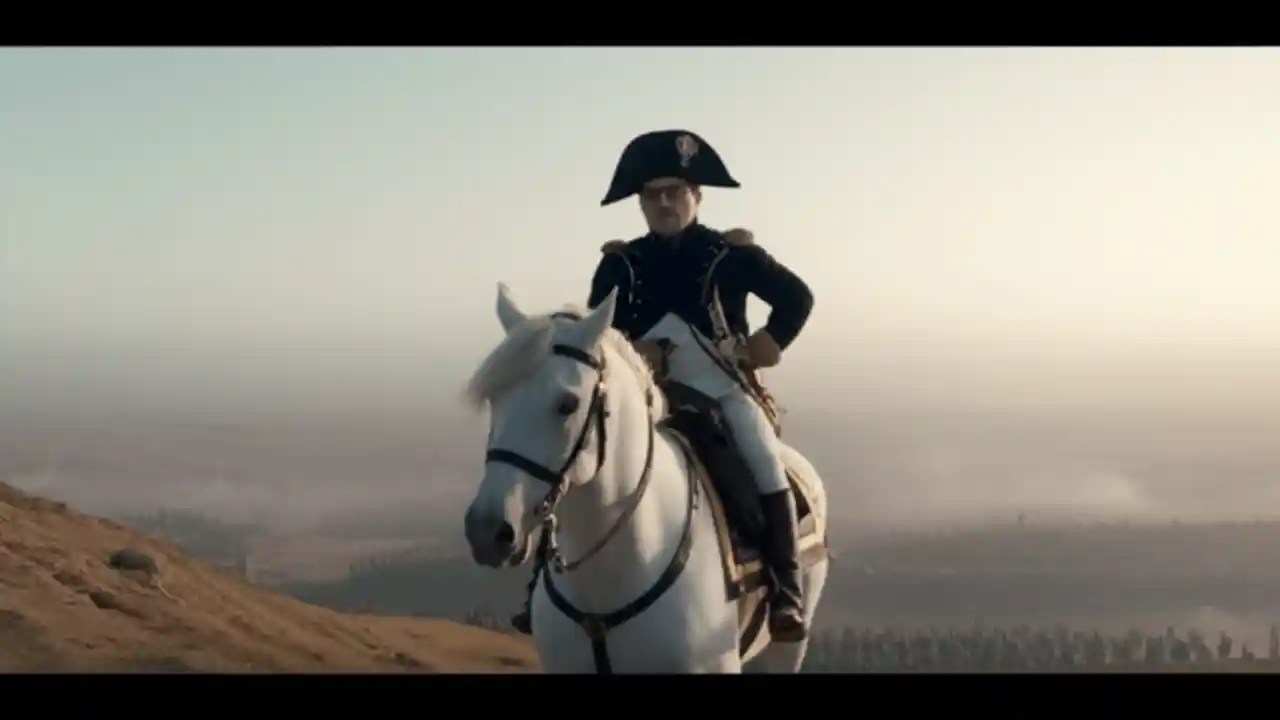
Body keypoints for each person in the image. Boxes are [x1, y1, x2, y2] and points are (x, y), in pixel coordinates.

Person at [509, 129, 815, 642]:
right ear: (642, 202)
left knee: (763, 459)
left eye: (676, 191)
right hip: (639, 396)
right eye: (654, 194)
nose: (665, 202)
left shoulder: (732, 254)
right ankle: (542, 580)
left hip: (719, 388)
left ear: (698, 196)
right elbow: (597, 334)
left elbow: (797, 298)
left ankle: (785, 590)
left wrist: (765, 343)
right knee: (573, 460)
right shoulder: (620, 264)